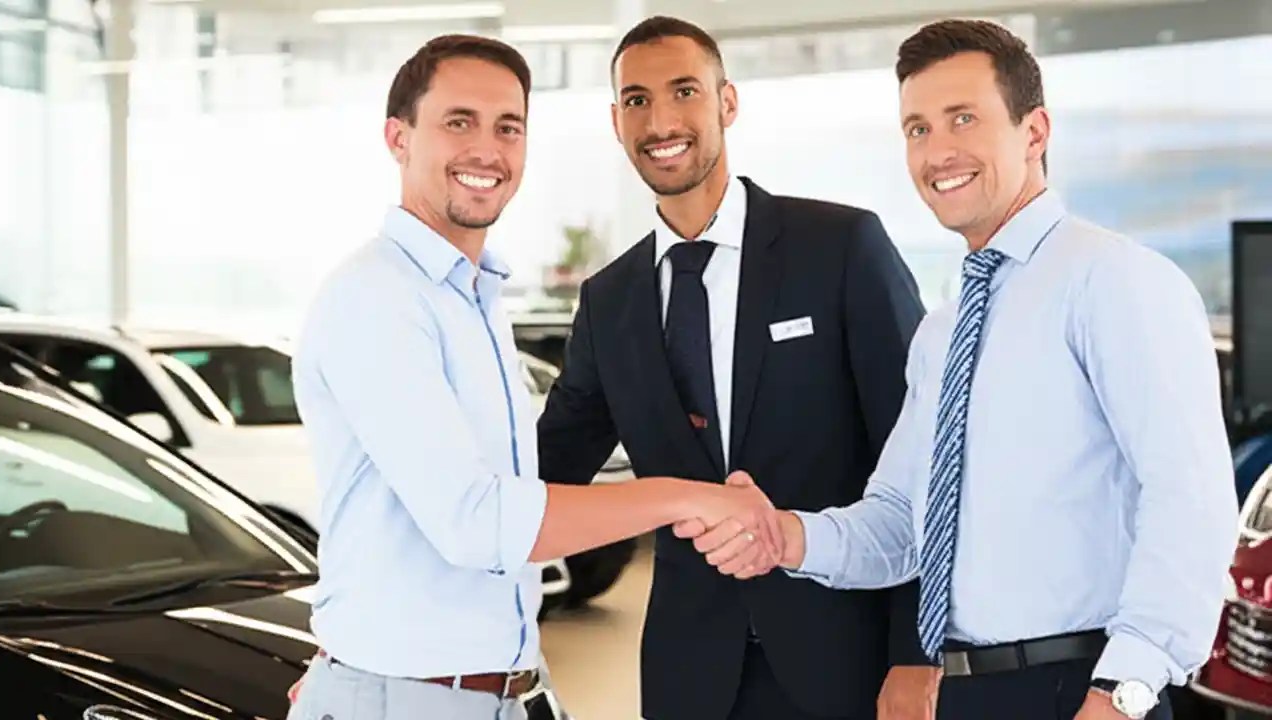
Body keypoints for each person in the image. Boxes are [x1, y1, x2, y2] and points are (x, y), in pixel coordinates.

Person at [682, 18, 1239, 720]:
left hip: (1084, 687)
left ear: (1034, 132)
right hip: (968, 690)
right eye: (917, 129)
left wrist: (1124, 691)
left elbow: (1189, 497)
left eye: (962, 119)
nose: (936, 151)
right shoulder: (944, 331)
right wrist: (787, 537)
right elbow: (903, 522)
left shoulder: (1114, 281)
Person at [285, 34, 786, 720]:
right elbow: (476, 521)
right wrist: (689, 499)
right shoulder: (376, 297)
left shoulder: (471, 298)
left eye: (508, 127)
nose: (487, 150)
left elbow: (521, 489)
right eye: (458, 122)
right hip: (403, 700)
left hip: (498, 691)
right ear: (398, 138)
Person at [536, 15, 938, 720]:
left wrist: (915, 653)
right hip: (691, 673)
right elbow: (546, 473)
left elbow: (922, 463)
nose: (660, 119)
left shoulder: (839, 248)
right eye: (636, 100)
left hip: (847, 659)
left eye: (684, 91)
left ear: (727, 102)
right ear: (615, 120)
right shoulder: (610, 301)